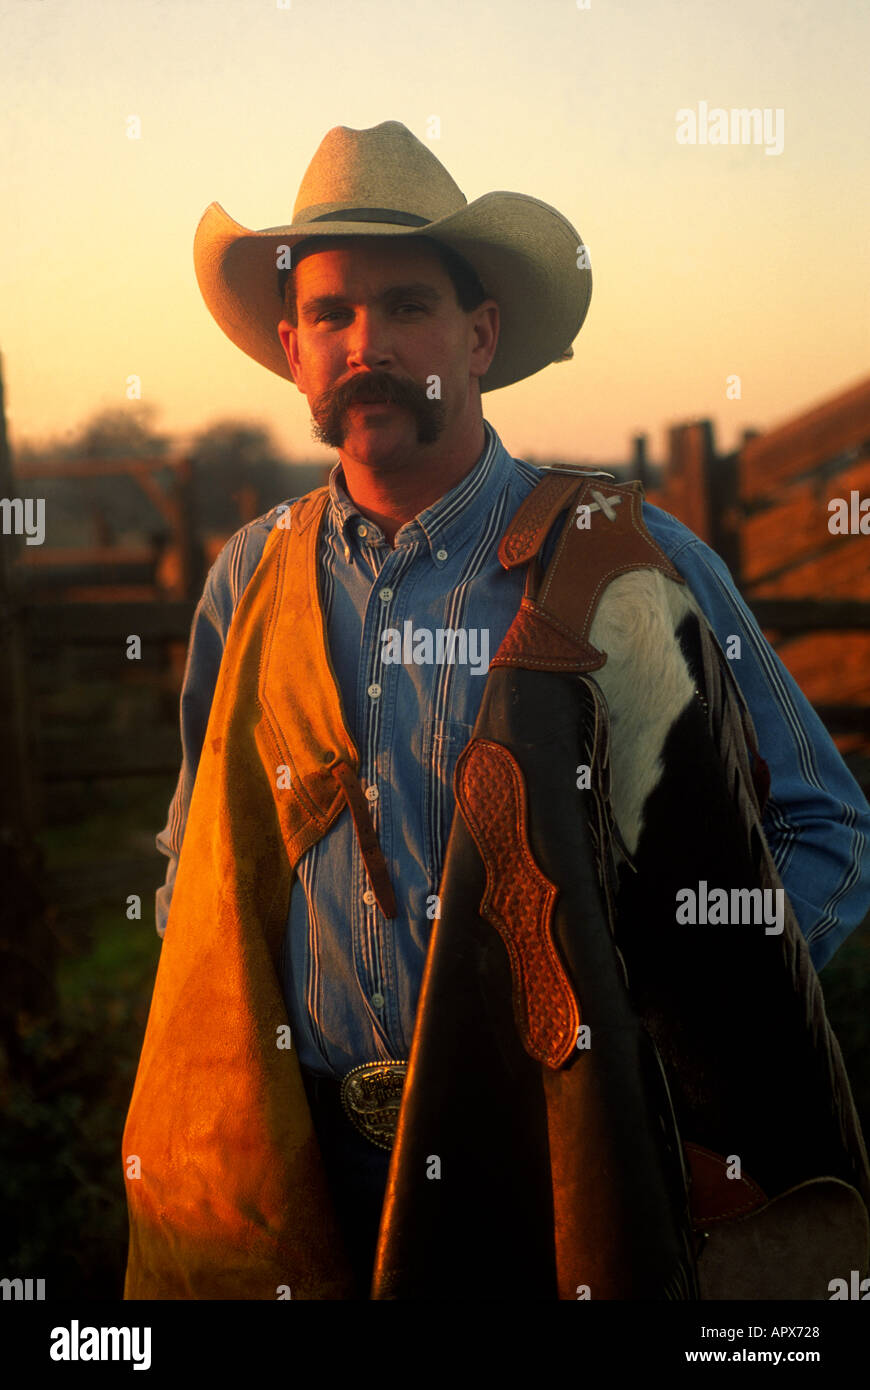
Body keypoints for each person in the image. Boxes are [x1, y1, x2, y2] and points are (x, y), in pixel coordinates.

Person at [126, 121, 870, 1299]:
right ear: (292, 348)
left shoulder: (627, 568)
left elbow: (828, 829)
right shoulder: (247, 577)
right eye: (331, 314)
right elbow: (199, 859)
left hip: (557, 1169)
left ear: (478, 335)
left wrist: (663, 1053)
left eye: (407, 305)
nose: (367, 344)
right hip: (303, 1174)